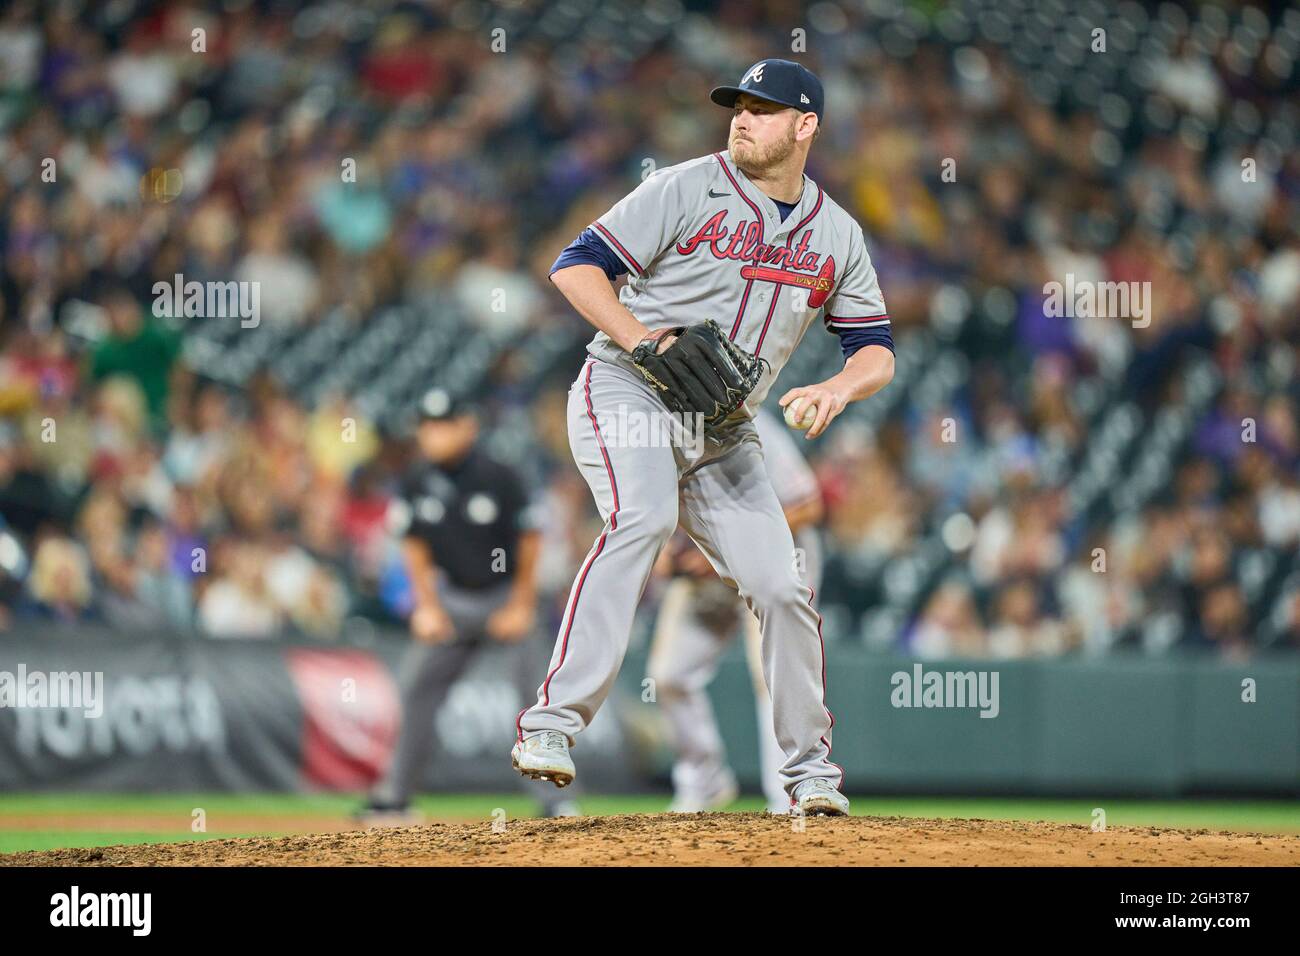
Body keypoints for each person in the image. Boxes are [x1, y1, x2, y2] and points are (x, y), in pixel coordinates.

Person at [512, 59, 895, 816]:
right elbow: (575, 267)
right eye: (739, 105)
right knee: (643, 520)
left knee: (783, 584)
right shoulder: (684, 186)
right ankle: (551, 725)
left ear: (806, 125)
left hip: (723, 427)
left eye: (764, 107)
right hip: (627, 390)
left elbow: (876, 348)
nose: (743, 118)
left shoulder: (837, 234)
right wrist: (643, 338)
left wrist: (837, 387)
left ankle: (810, 771)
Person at [359, 388, 576, 823]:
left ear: (467, 426)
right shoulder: (417, 479)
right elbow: (414, 543)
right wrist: (426, 605)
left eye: (443, 424)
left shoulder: (499, 474)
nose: (433, 435)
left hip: (503, 595)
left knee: (537, 699)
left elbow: (529, 539)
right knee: (416, 687)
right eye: (426, 426)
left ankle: (557, 804)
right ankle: (395, 798)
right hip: (453, 599)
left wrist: (520, 604)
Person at [647, 408, 824, 813]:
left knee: (772, 674)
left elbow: (809, 505)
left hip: (777, 559)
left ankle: (789, 795)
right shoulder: (651, 430)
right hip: (707, 571)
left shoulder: (752, 424)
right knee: (668, 675)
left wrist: (724, 552)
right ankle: (704, 782)